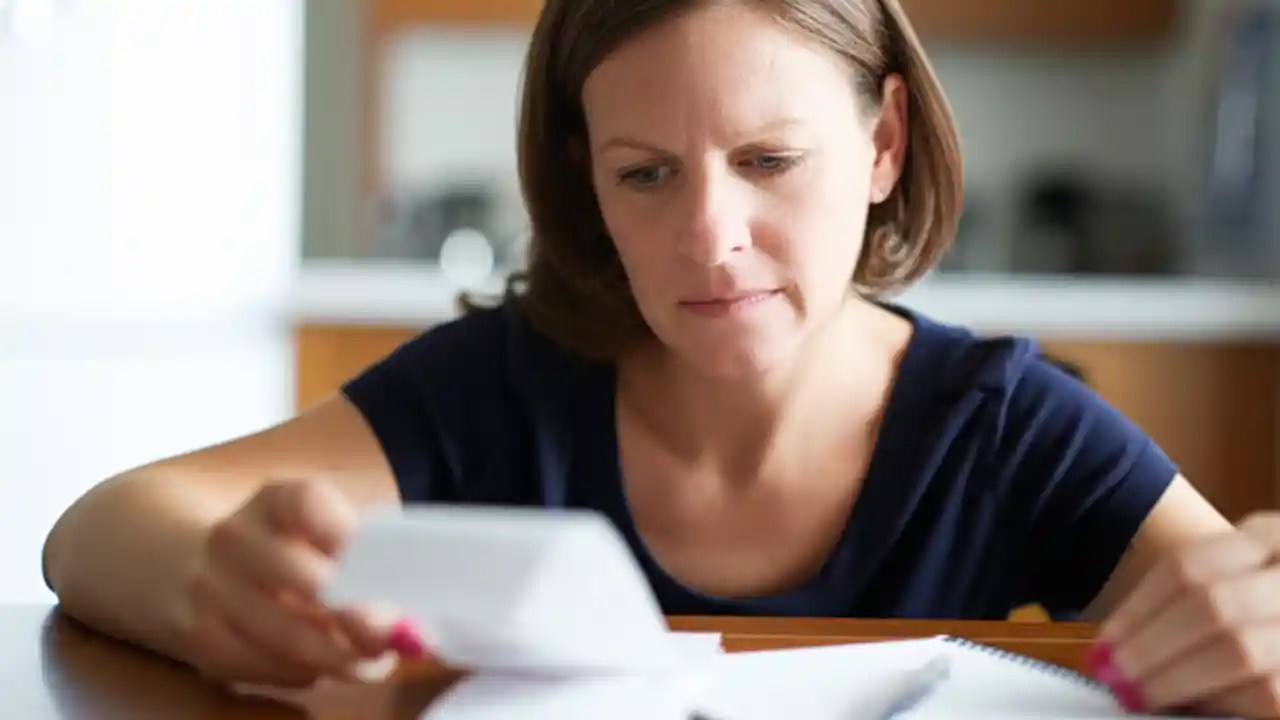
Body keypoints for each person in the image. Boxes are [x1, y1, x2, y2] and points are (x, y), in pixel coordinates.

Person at [41, 0, 1280, 715]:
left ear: (884, 143)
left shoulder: (1001, 425)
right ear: (586, 180)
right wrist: (224, 583)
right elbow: (101, 528)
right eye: (645, 174)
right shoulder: (499, 384)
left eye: (768, 161)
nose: (708, 240)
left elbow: (1241, 623)